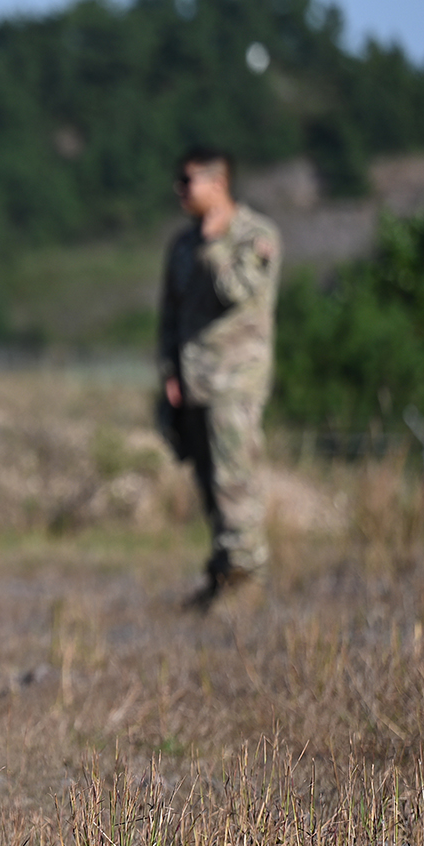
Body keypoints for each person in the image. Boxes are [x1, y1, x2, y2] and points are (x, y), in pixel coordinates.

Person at [157, 145, 280, 612]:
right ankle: (223, 573)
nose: (180, 191)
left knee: (236, 479)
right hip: (193, 381)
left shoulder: (255, 235)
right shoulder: (182, 244)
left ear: (218, 182)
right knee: (209, 482)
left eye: (189, 182)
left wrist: (215, 242)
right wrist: (170, 369)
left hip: (236, 381)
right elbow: (170, 312)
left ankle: (247, 580)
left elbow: (235, 291)